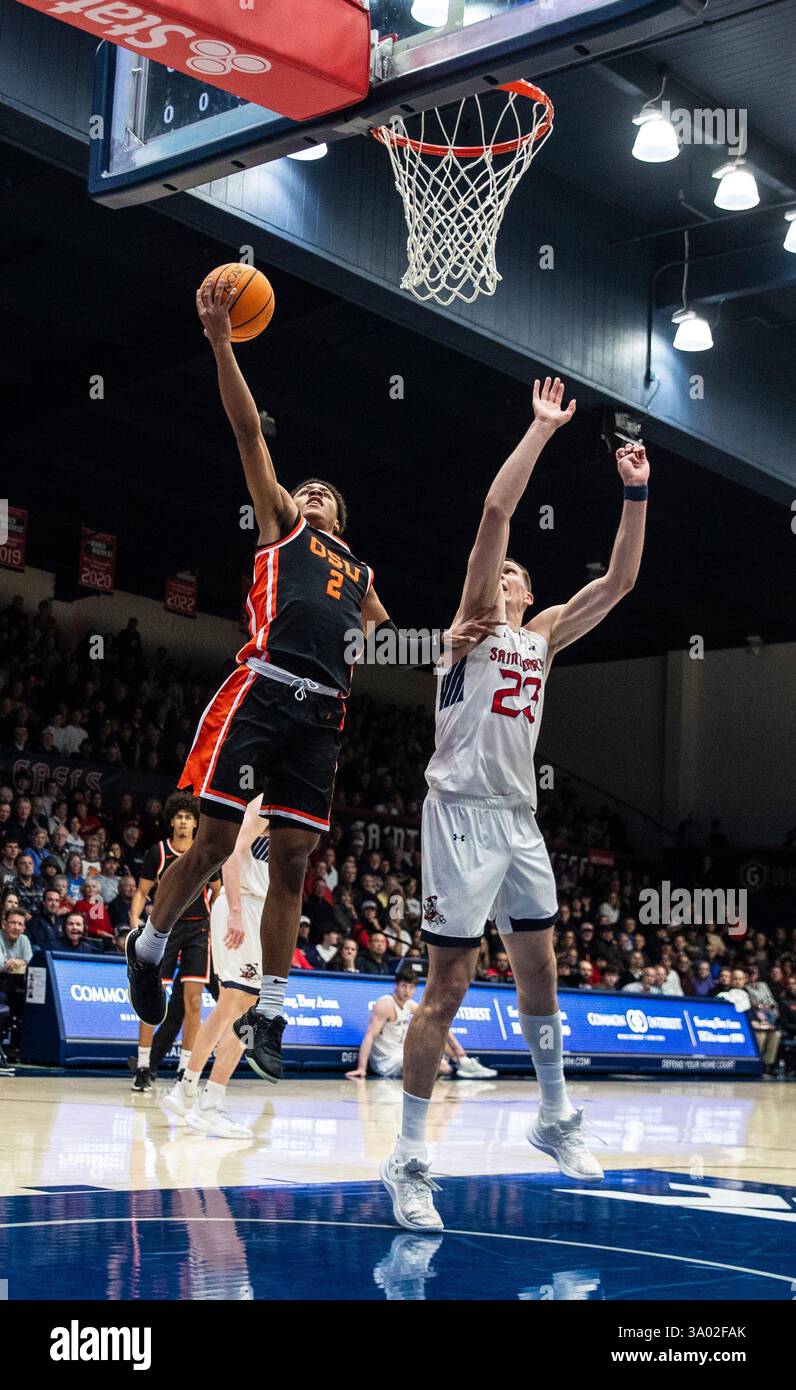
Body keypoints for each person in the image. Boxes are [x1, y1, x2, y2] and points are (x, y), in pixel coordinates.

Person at [381, 379, 650, 1231]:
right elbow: (497, 513)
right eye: (496, 571)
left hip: (517, 819)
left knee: (541, 975)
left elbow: (620, 580)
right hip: (457, 816)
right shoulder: (471, 626)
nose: (503, 573)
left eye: (515, 575)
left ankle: (554, 1115)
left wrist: (635, 491)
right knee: (447, 990)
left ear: (529, 595)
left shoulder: (542, 636)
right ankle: (410, 1159)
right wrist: (540, 432)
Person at [126, 276, 391, 1090]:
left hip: (322, 715)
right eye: (305, 489)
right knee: (210, 843)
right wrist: (220, 346)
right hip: (262, 689)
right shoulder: (282, 526)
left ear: (340, 520)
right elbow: (249, 434)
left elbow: (381, 629)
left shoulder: (360, 573)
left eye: (325, 495)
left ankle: (272, 1007)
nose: (310, 493)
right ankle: (151, 941)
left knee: (296, 861)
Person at [161, 798, 269, 1138]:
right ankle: (210, 1103)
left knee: (228, 1007)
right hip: (244, 906)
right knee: (245, 1009)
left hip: (251, 909)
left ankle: (187, 1087)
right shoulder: (266, 805)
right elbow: (232, 855)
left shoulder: (289, 807)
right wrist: (236, 910)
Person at [128, 794, 221, 1094]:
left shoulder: (206, 853)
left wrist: (218, 927)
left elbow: (218, 893)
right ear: (171, 821)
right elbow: (142, 893)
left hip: (198, 931)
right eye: (178, 816)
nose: (183, 821)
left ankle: (185, 1069)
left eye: (188, 817)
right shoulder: (157, 852)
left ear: (196, 822)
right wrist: (134, 924)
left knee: (194, 1001)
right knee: (154, 996)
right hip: (164, 929)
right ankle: (143, 1066)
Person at [346, 965, 496, 1081]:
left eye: (411, 987)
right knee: (441, 1067)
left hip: (401, 1055)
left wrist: (457, 1048)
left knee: (433, 1030)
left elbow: (436, 1022)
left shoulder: (409, 1004)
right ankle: (461, 1064)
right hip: (387, 1062)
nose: (407, 990)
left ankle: (463, 1061)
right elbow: (369, 1036)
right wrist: (361, 1068)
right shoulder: (385, 1004)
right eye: (404, 986)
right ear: (396, 986)